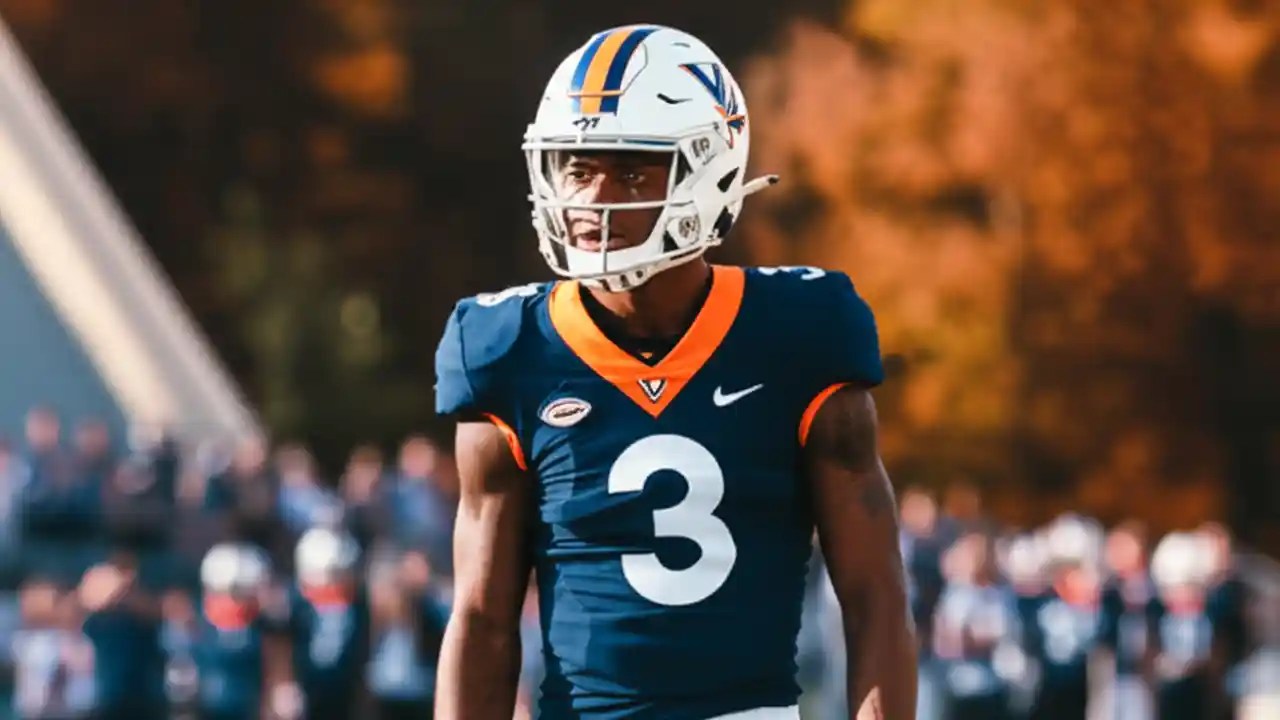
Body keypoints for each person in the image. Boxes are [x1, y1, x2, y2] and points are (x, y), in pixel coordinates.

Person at [433, 23, 916, 720]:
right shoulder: (507, 350)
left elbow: (875, 598)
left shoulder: (800, 333)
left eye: (631, 170)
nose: (596, 200)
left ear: (710, 171)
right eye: (577, 166)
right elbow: (480, 621)